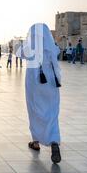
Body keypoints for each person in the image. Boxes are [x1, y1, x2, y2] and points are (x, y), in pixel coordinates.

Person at [16, 23, 62, 164]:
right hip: (51, 84)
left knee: (35, 111)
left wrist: (23, 42)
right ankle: (54, 141)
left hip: (35, 84)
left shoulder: (29, 48)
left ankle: (35, 141)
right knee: (52, 112)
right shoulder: (52, 48)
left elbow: (18, 52)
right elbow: (57, 52)